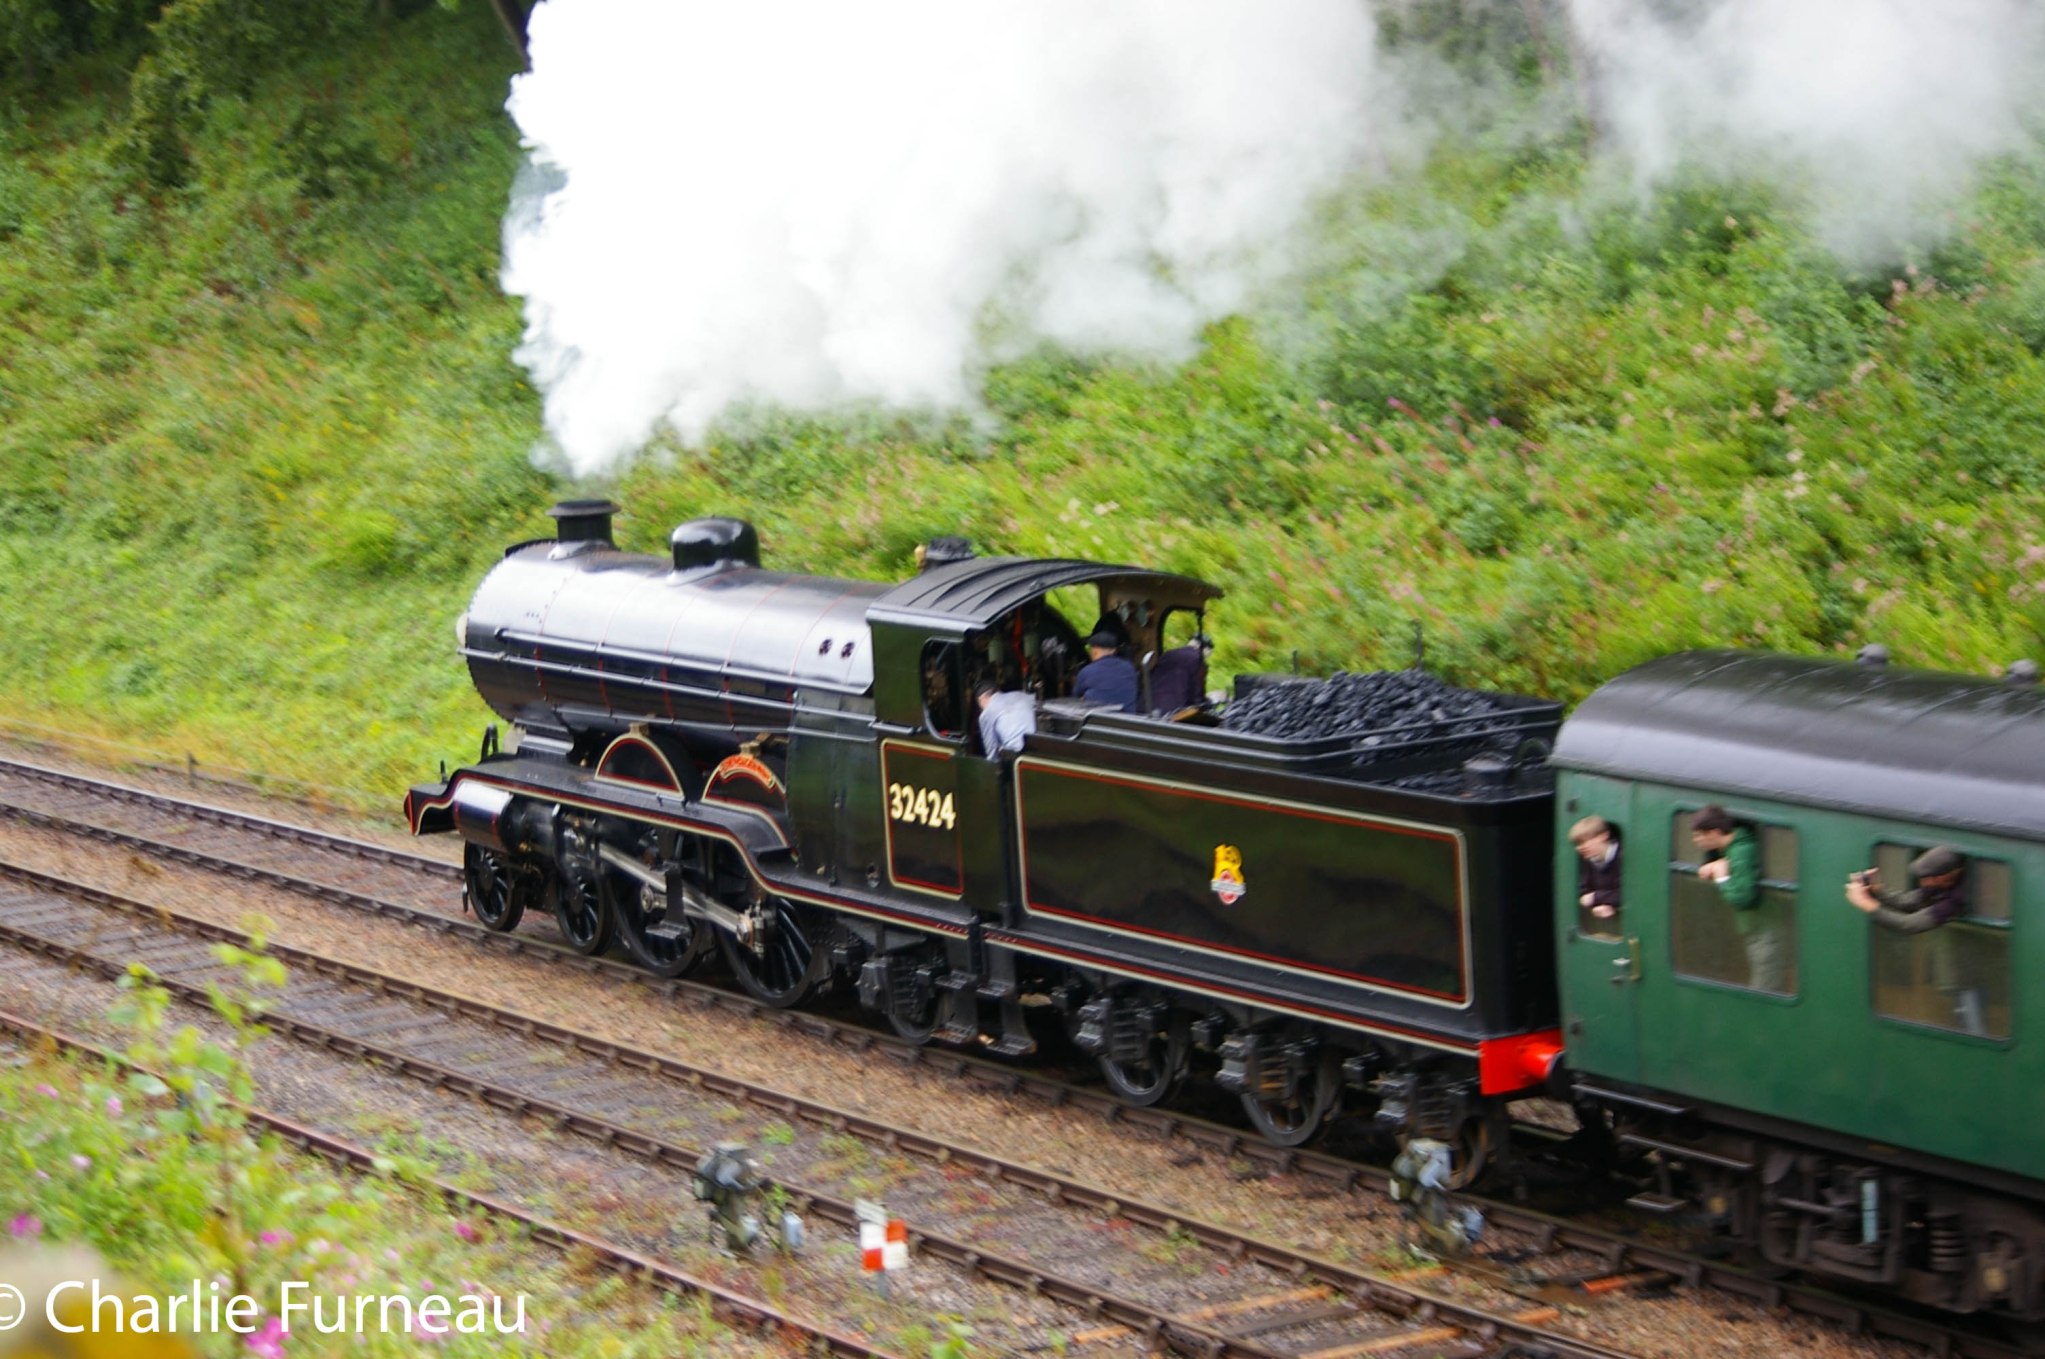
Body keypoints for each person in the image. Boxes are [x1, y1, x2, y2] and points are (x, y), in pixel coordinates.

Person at [1846, 846, 1983, 1035]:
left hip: (1970, 970)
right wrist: (1878, 891)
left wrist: (1867, 905)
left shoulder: (1957, 899)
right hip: (1955, 968)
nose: (1925, 882)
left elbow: (1908, 925)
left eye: (1930, 878)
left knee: (1972, 1018)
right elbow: (1909, 902)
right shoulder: (1937, 884)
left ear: (1951, 874)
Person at [1692, 804, 1784, 991]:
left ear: (1715, 832)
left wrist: (1722, 878)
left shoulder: (1742, 851)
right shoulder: (1730, 850)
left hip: (1765, 929)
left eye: (1700, 835)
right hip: (1755, 927)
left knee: (1764, 987)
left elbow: (1743, 897)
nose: (1696, 841)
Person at [1570, 816, 1622, 928]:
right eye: (1578, 844)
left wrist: (1596, 897)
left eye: (1585, 841)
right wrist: (1604, 904)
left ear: (1604, 835)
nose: (1580, 848)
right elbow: (1584, 892)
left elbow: (1632, 893)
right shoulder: (1589, 860)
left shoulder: (1624, 857)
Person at [1071, 632, 1140, 713]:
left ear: (1094, 651)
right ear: (1114, 650)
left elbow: (1074, 698)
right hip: (1128, 719)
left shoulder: (1087, 671)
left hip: (1097, 721)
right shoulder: (1129, 668)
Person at [1148, 634, 1212, 715]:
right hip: (1170, 715)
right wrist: (1210, 701)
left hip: (1145, 709)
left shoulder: (1167, 654)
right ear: (1205, 649)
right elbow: (1196, 699)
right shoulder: (1197, 660)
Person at [975, 680, 1036, 756]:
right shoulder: (1021, 695)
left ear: (981, 699)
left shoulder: (986, 714)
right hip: (1037, 748)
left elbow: (991, 751)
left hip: (1016, 753)